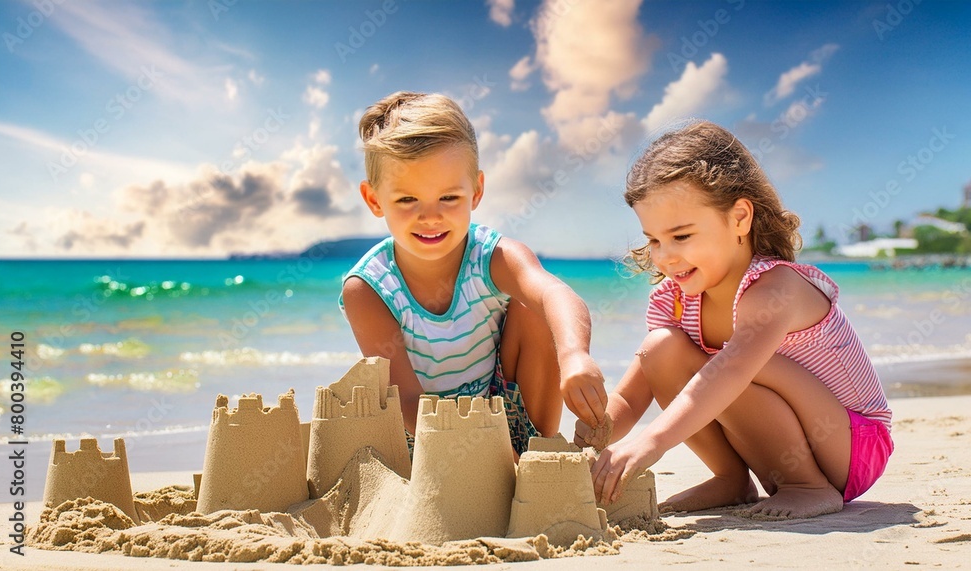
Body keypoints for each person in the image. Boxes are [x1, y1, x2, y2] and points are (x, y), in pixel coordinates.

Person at [580, 120, 892, 519]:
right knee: (660, 350)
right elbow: (632, 392)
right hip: (779, 439)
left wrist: (652, 442)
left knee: (732, 365)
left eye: (681, 236)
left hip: (851, 444)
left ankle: (806, 486)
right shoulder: (673, 301)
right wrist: (588, 441)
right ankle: (731, 478)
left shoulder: (775, 289)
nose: (664, 256)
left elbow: (729, 372)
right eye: (654, 239)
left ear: (740, 218)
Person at [340, 91, 609, 457]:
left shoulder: (493, 256)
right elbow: (404, 398)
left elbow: (555, 295)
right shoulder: (368, 288)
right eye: (407, 200)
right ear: (374, 200)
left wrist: (575, 354)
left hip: (503, 418)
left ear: (476, 191)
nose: (430, 216)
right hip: (424, 438)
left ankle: (537, 451)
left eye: (448, 198)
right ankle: (501, 461)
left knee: (534, 305)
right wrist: (479, 455)